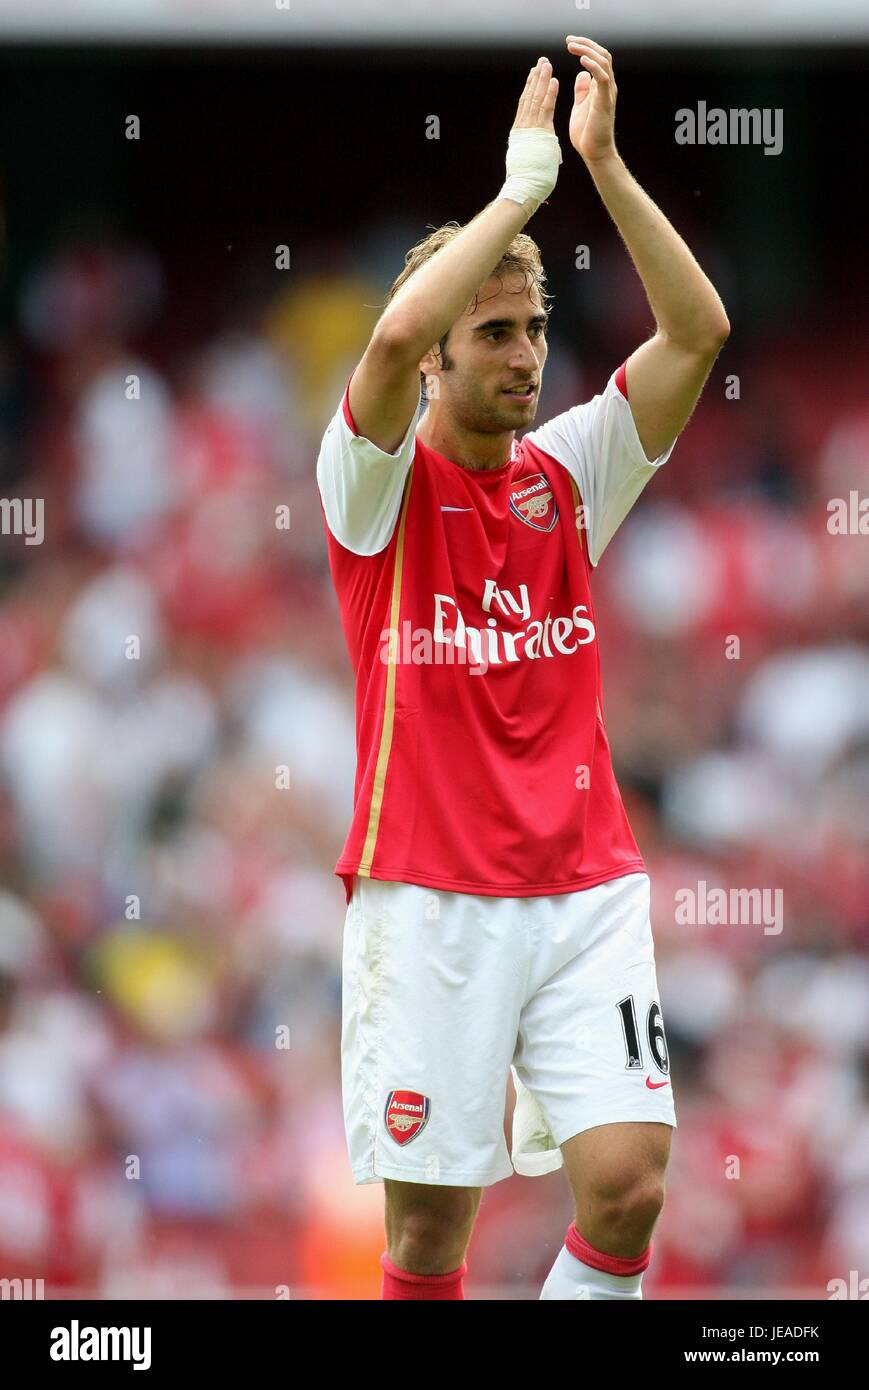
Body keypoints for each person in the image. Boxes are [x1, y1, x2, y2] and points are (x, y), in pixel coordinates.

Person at [316, 36, 729, 1300]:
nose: (520, 353)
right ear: (443, 355)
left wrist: (600, 162)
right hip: (429, 900)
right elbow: (385, 344)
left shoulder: (567, 474)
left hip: (586, 888)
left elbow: (697, 328)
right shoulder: (369, 490)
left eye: (533, 327)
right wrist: (517, 192)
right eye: (491, 331)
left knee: (629, 1185)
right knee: (430, 1243)